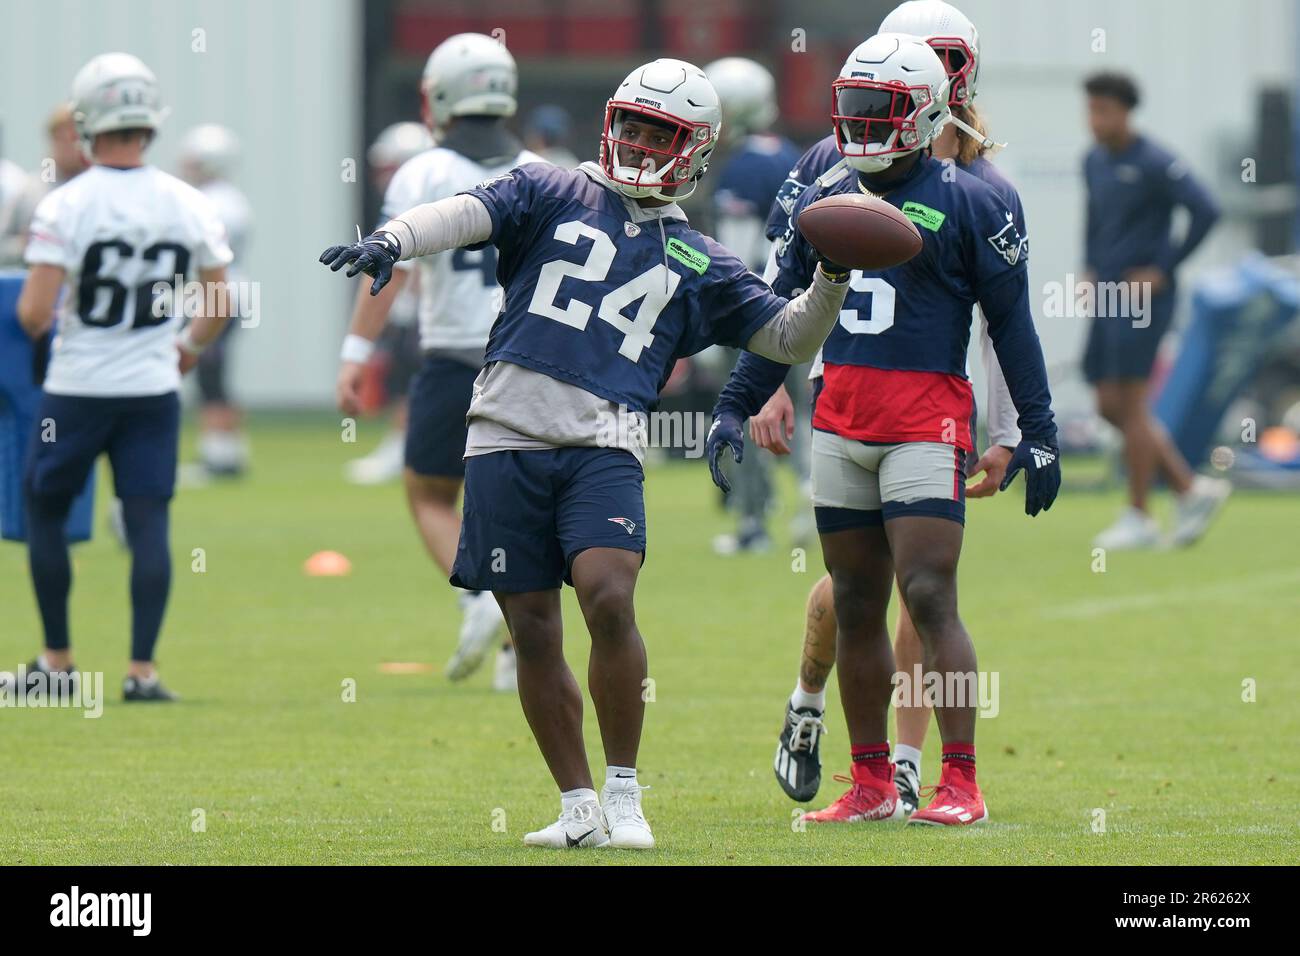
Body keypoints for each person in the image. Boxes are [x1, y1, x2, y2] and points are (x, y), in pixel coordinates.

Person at [321, 58, 851, 848]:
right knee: (532, 627)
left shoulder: (699, 255)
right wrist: (393, 240)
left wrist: (833, 274)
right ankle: (576, 807)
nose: (638, 141)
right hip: (503, 429)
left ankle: (625, 793)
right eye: (632, 123)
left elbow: (786, 335)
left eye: (660, 132)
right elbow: (464, 212)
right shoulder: (550, 185)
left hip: (604, 440)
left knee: (608, 595)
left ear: (695, 149)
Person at [708, 32, 1060, 827]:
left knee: (929, 595)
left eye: (883, 110)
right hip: (839, 414)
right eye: (856, 108)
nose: (864, 125)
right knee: (860, 603)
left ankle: (960, 781)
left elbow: (1010, 324)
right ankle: (869, 782)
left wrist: (1037, 427)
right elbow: (780, 312)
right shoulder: (822, 182)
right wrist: (737, 399)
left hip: (925, 417)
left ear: (926, 110)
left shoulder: (973, 197)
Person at [5, 53, 232, 702]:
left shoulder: (66, 205)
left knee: (44, 509)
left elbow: (33, 312)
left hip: (75, 388)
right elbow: (219, 300)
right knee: (148, 521)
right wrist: (185, 348)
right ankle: (142, 672)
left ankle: (57, 663)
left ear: (85, 122)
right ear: (150, 121)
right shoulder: (187, 202)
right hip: (151, 390)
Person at [335, 35, 542, 690]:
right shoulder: (544, 169)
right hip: (530, 361)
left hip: (455, 356)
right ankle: (519, 651)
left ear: (441, 95)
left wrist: (354, 353)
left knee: (429, 492)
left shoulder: (420, 173)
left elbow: (384, 272)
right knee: (523, 507)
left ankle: (479, 599)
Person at [1081, 71, 1227, 550]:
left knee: (1132, 403)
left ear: (1126, 112)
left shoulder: (1157, 161)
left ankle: (1139, 515)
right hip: (1106, 296)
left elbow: (1207, 210)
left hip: (1143, 300)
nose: (1095, 119)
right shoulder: (1093, 161)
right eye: (1091, 109)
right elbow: (1096, 219)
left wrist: (1164, 268)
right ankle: (1190, 489)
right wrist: (1087, 268)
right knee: (1108, 404)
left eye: (1103, 110)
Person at [701, 56, 805, 555]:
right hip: (805, 308)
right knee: (801, 412)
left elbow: (739, 256)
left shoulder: (741, 167)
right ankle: (812, 494)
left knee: (741, 410)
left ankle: (752, 524)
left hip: (755, 312)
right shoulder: (792, 154)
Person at [343, 121, 434, 487]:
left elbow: (395, 268)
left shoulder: (415, 192)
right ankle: (401, 444)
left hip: (434, 314)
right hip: (456, 313)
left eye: (388, 167)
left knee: (412, 378)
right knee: (406, 378)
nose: (382, 177)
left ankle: (404, 447)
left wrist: (357, 345)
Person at [177, 124, 253, 478]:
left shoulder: (213, 201)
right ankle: (227, 451)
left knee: (211, 376)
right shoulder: (228, 199)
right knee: (214, 376)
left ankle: (219, 457)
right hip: (226, 293)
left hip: (217, 296)